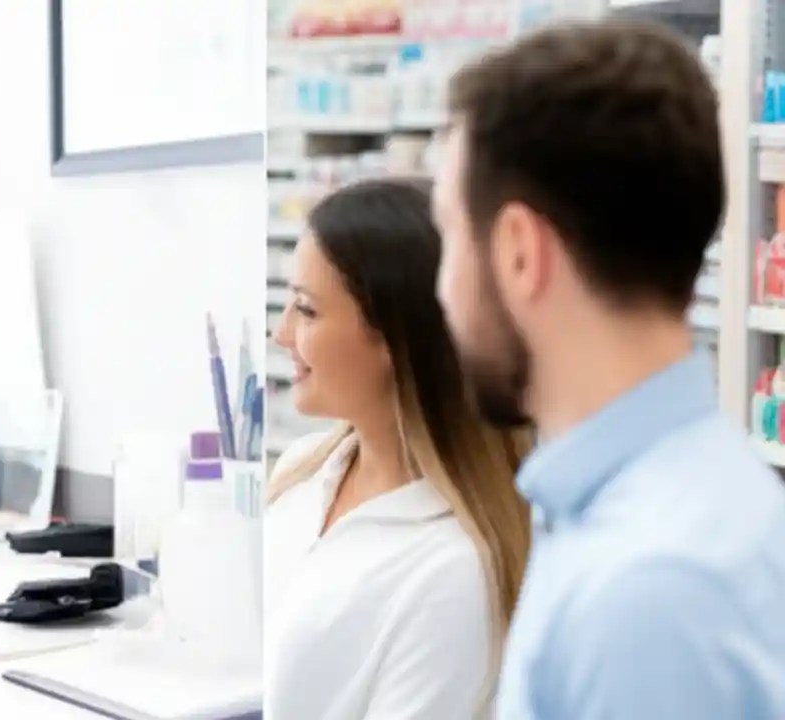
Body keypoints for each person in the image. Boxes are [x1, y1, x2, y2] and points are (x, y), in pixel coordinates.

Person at [434, 20, 785, 719]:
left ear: (519, 252)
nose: (440, 289)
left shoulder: (644, 596)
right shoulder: (686, 496)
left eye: (449, 236)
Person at [265, 178, 531, 719]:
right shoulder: (301, 474)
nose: (282, 334)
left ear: (393, 336)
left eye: (306, 310)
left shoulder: (451, 573)